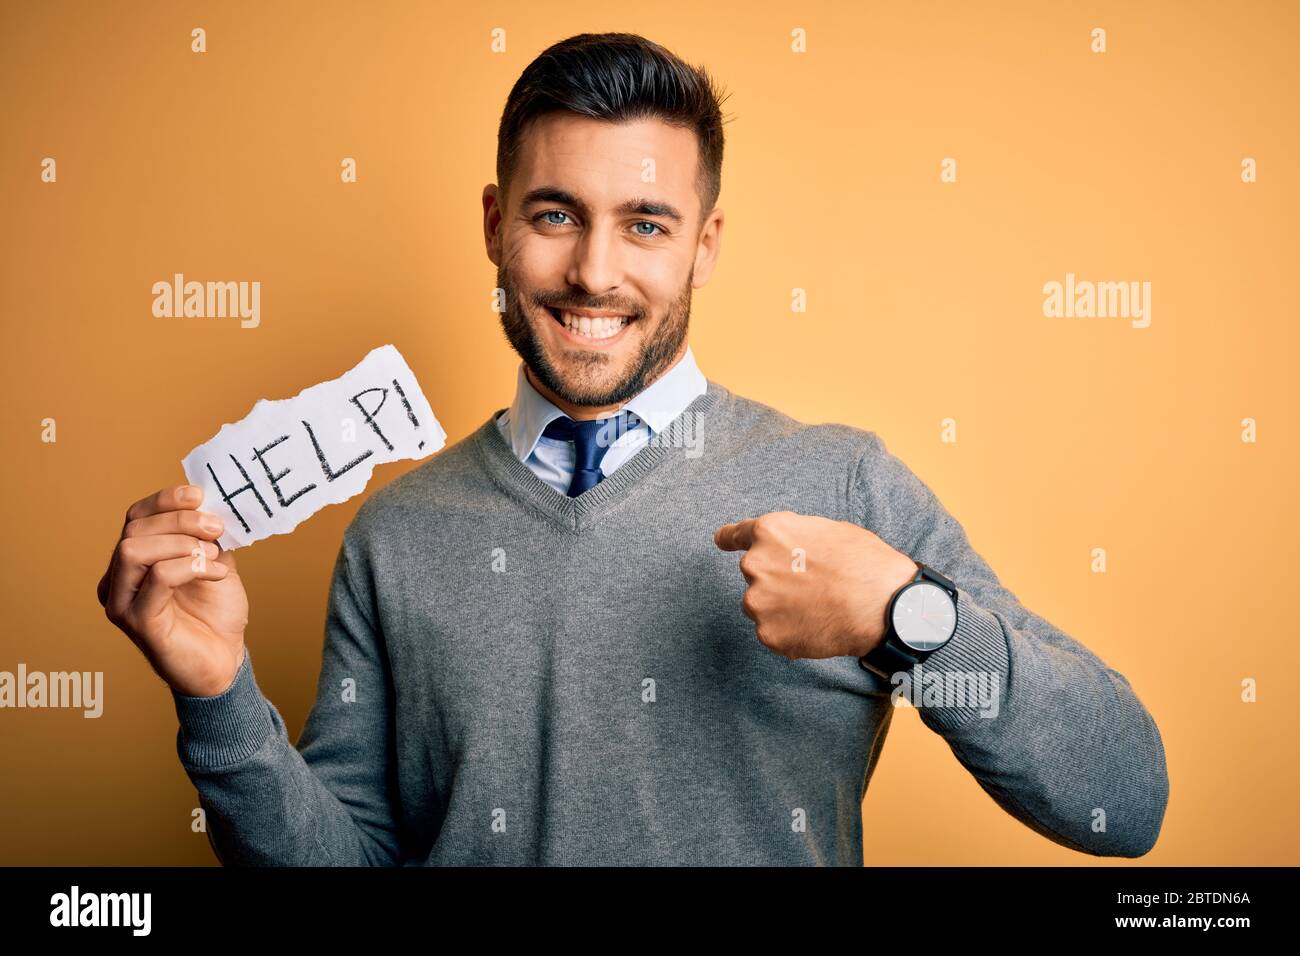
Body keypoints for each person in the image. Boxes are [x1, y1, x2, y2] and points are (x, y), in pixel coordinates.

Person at [97, 32, 1168, 865]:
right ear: (493, 225)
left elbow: (1123, 794)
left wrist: (906, 617)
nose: (593, 272)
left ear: (704, 246)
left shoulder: (842, 484)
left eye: (646, 223)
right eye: (556, 215)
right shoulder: (399, 534)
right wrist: (219, 695)